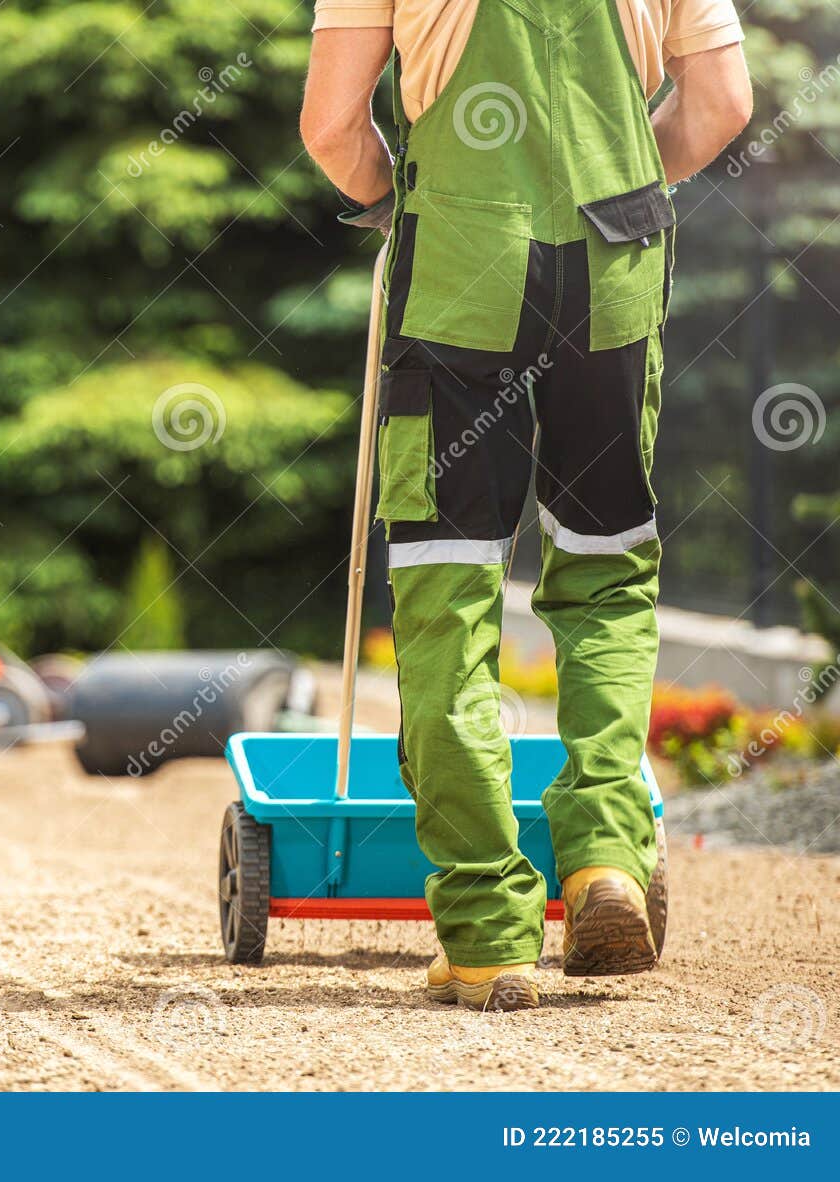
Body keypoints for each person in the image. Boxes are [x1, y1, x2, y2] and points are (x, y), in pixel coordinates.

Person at [300, 0, 752, 1011]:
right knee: (605, 562)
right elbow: (720, 102)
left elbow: (333, 127)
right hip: (614, 264)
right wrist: (621, 192)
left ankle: (486, 932)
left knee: (444, 586)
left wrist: (408, 199)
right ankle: (600, 859)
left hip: (463, 264)